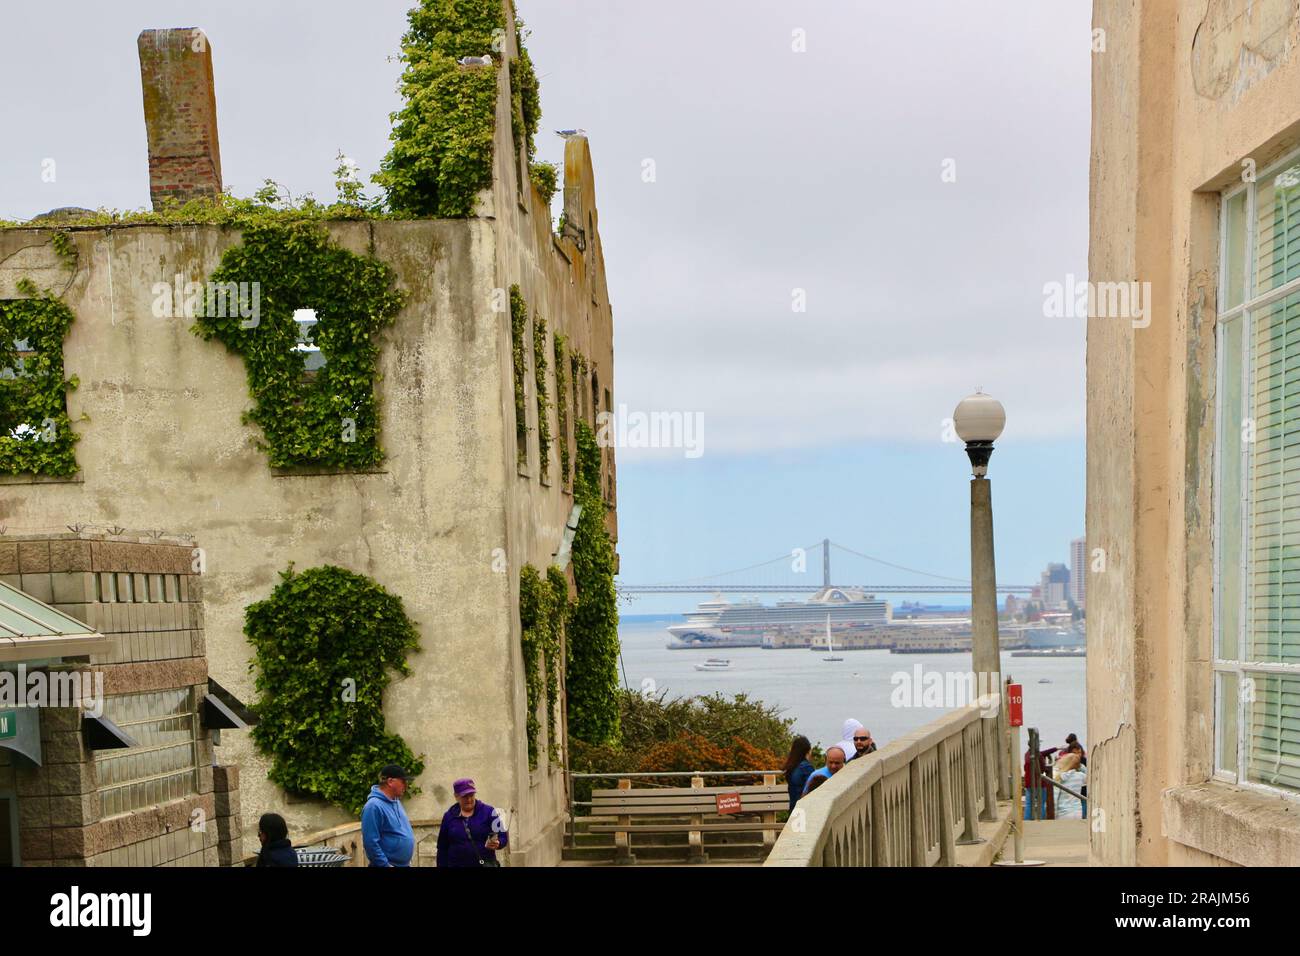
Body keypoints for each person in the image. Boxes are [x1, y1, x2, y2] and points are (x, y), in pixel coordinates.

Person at [437, 778, 509, 867]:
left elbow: (503, 836)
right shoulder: (449, 816)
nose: (469, 799)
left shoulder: (489, 812)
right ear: (456, 796)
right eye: (465, 796)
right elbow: (442, 847)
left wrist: (498, 843)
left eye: (471, 795)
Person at [361, 764, 417, 867]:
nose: (406, 786)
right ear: (390, 781)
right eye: (403, 781)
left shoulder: (396, 801)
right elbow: (370, 843)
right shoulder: (373, 806)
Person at [1023, 745, 1058, 820]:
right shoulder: (1039, 755)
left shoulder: (1027, 754)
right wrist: (1046, 768)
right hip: (1039, 784)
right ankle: (1041, 819)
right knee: (1041, 803)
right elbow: (1042, 768)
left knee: (1029, 804)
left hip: (1029, 783)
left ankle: (1027, 819)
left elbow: (1043, 753)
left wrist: (1055, 749)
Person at [782, 736, 815, 810]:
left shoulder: (791, 767)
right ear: (808, 751)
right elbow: (812, 789)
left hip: (793, 808)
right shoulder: (806, 768)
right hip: (803, 809)